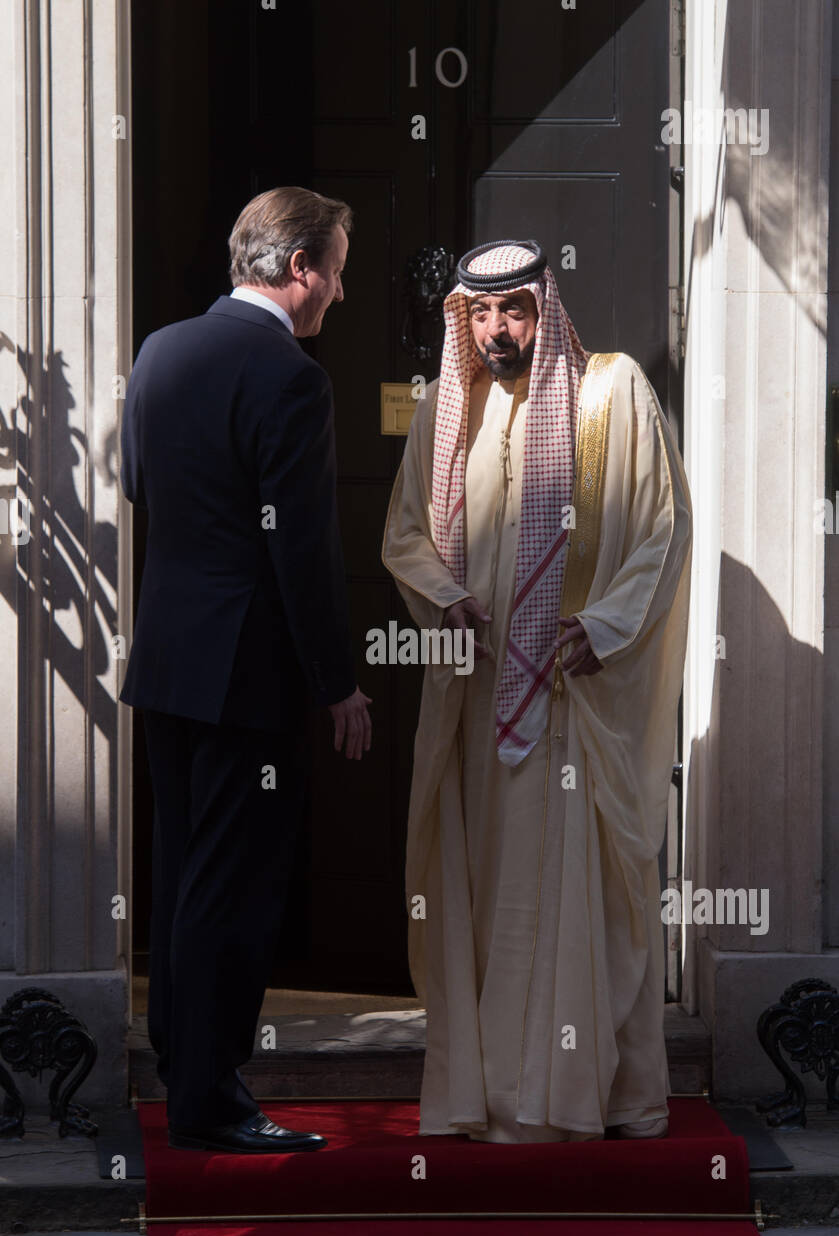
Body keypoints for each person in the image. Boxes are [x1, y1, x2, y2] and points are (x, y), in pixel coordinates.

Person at [382, 238, 692, 1144]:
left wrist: (603, 628)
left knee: (573, 894)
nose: (494, 331)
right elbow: (403, 532)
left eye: (510, 311)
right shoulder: (445, 408)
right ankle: (488, 1096)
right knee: (486, 898)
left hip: (569, 702)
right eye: (477, 315)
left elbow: (662, 525)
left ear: (542, 309)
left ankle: (579, 1099)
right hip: (477, 705)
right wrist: (442, 595)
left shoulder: (612, 391)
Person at [120, 186, 372, 1155]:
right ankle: (212, 1097)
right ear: (299, 267)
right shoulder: (292, 378)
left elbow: (142, 483)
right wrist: (336, 681)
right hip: (246, 677)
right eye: (337, 270)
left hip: (167, 664)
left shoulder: (158, 352)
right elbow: (300, 551)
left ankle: (184, 1071)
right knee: (234, 884)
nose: (339, 294)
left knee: (185, 872)